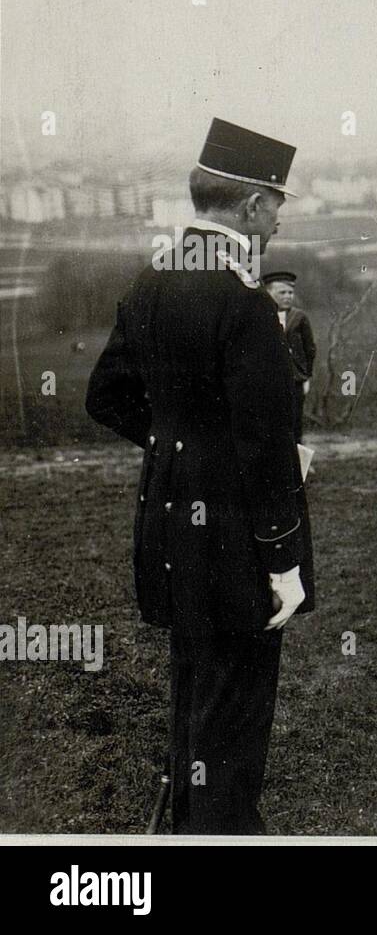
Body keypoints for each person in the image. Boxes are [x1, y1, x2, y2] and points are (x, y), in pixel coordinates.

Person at [85, 118, 314, 833]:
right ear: (249, 206)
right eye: (276, 203)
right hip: (236, 543)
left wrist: (179, 447)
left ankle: (188, 825)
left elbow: (105, 396)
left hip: (169, 533)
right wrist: (283, 561)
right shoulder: (242, 301)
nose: (279, 218)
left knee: (196, 692)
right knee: (234, 716)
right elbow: (265, 443)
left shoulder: (152, 281)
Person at [261, 271, 315, 442]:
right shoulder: (260, 315)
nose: (287, 297)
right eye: (282, 293)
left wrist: (306, 376)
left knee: (295, 422)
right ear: (269, 292)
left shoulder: (299, 318)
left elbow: (310, 349)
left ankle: (299, 463)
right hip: (268, 379)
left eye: (290, 293)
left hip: (294, 379)